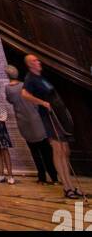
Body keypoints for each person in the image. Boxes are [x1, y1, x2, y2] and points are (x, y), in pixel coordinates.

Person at [22, 53, 84, 200]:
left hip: (58, 114)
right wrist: (42, 103)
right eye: (35, 60)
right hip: (49, 117)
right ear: (30, 64)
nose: (38, 62)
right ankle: (66, 187)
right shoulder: (30, 79)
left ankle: (70, 184)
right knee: (58, 150)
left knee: (65, 150)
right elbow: (24, 94)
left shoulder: (41, 78)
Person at [5, 64, 58, 186]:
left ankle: (42, 177)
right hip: (35, 118)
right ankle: (54, 176)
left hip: (23, 121)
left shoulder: (8, 89)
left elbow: (10, 100)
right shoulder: (25, 85)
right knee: (46, 150)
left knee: (34, 151)